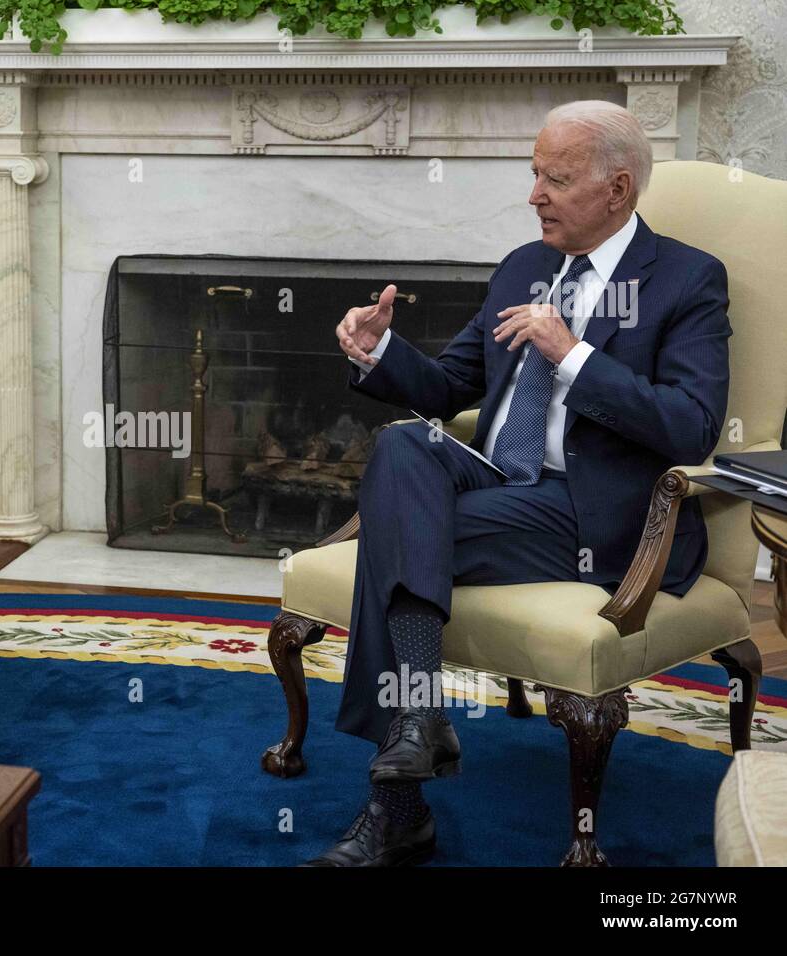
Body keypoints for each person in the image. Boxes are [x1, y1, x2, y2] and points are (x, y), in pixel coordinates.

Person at [312, 100, 731, 866]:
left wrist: (573, 355)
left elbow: (693, 427)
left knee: (398, 537)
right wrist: (379, 353)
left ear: (619, 188)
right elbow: (447, 389)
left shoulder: (687, 280)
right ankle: (420, 717)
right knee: (407, 448)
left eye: (556, 179)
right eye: (535, 174)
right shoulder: (524, 265)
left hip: (595, 515)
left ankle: (398, 805)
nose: (533, 194)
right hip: (499, 481)